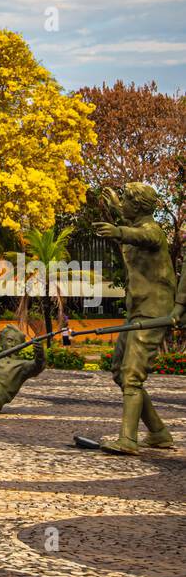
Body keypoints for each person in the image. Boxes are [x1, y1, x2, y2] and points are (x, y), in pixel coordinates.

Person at [93, 183, 178, 453]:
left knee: (131, 375)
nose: (123, 207)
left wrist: (118, 231)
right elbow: (132, 224)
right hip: (137, 310)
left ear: (139, 207)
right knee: (120, 371)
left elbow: (143, 236)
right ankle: (159, 433)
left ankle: (128, 440)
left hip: (154, 310)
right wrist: (118, 205)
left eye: (128, 202)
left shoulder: (153, 231)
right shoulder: (138, 223)